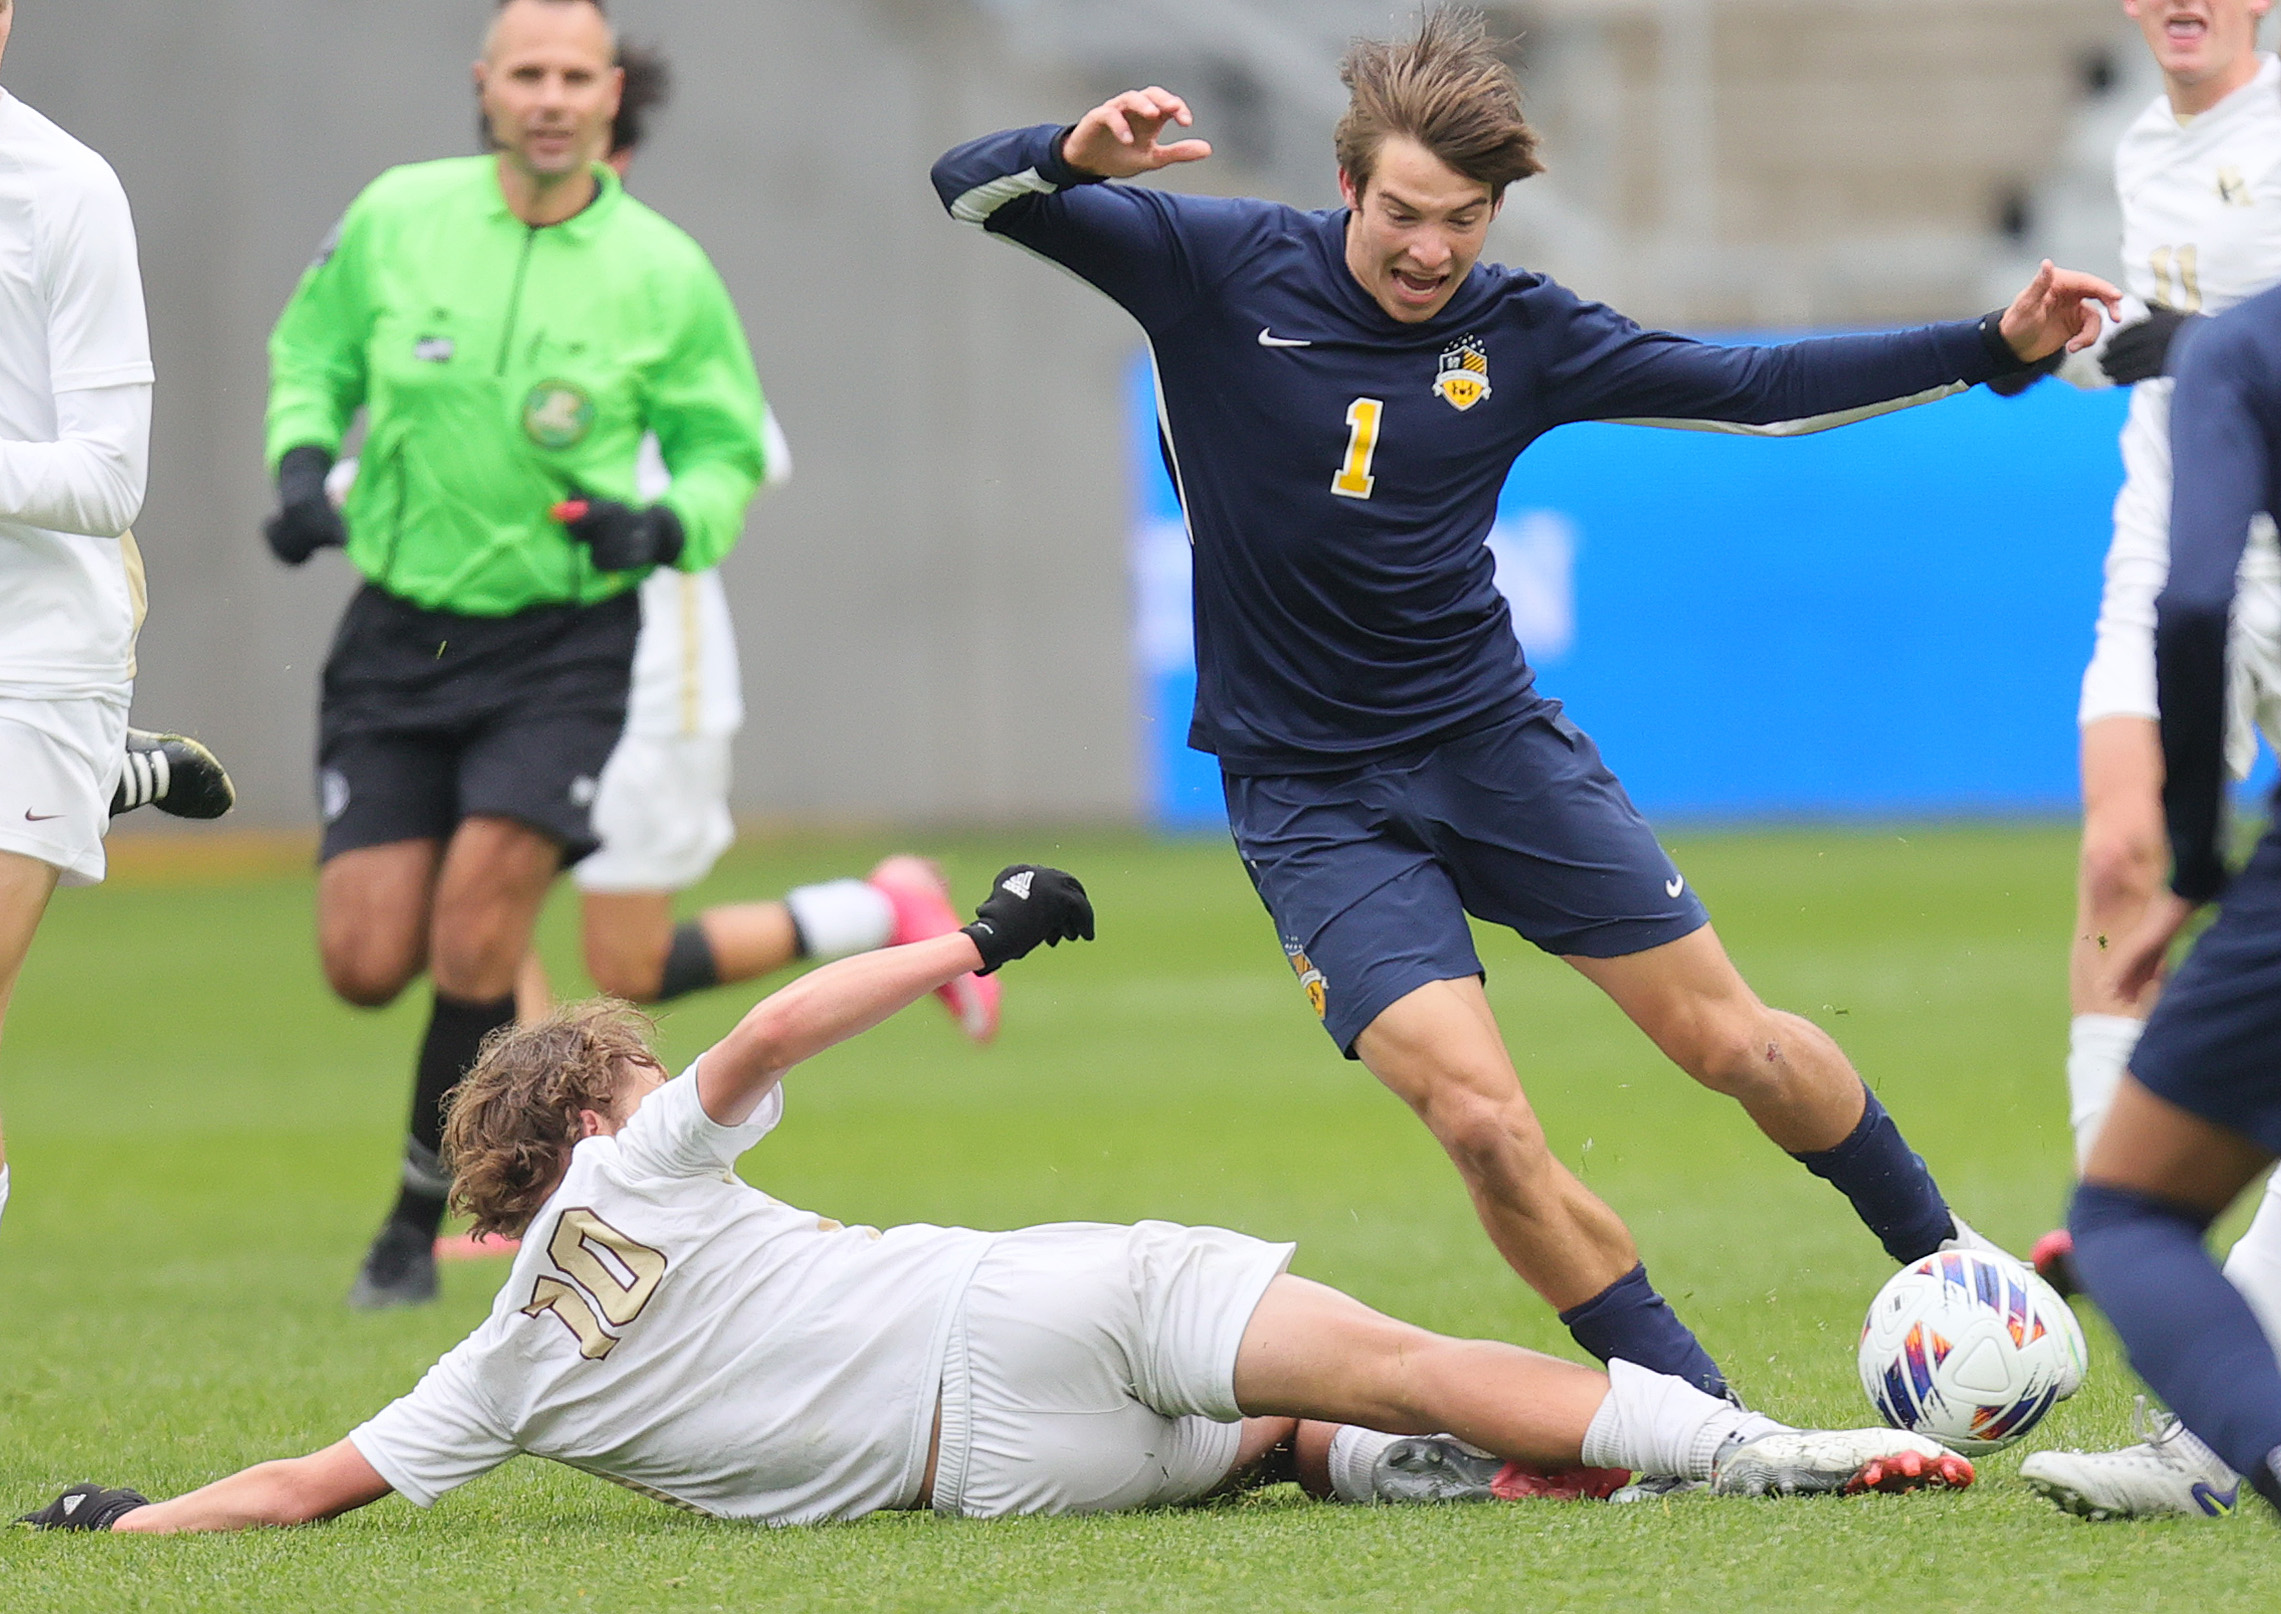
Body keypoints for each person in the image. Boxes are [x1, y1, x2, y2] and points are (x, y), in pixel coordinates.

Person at [930, 7, 2117, 1400]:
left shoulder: (1522, 329)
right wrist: (1068, 156)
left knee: (1731, 1040)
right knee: (1483, 1123)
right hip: (1309, 796)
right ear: (1347, 187)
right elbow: (966, 182)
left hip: (1491, 749)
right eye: (1406, 214)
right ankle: (1694, 1414)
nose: (1433, 249)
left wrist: (1994, 345)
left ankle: (1950, 1264)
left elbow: (1754, 391)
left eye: (1466, 221)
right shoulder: (1209, 264)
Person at [15, 864, 1977, 1535]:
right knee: (1407, 1361)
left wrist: (122, 1518)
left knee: (1291, 1437)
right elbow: (775, 1027)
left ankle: (1400, 1463)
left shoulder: (499, 1371)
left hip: (1002, 1477)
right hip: (1022, 1313)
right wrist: (967, 938)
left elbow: (296, 1489)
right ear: (590, 1109)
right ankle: (1772, 1453)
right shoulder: (643, 1155)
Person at [262, 0, 768, 1310]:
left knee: (480, 923)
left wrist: (664, 521)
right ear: (486, 87)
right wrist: (302, 467)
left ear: (612, 97)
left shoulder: (664, 268)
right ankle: (425, 1181)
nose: (550, 96)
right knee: (367, 962)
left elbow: (724, 447)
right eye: (527, 73)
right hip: (398, 633)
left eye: (574, 76)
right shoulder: (396, 217)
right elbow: (307, 356)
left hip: (564, 642)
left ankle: (412, 1218)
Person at [508, 42, 996, 1043]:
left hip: (645, 664)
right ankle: (525, 1163)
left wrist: (628, 513)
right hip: (504, 654)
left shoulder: (651, 282)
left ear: (616, 150)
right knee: (468, 895)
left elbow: (745, 452)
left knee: (622, 962)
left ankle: (879, 910)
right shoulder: (482, 274)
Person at [2010, 0, 2281, 1351]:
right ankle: (2105, 1202)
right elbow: (2165, 349)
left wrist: (2157, 346)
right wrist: (2086, 351)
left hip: (2275, 543)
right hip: (2167, 540)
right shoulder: (2132, 148)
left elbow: (2221, 348)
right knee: (2118, 854)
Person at [2020, 281, 2281, 1523]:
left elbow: (2192, 600)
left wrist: (2194, 860)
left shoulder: (2246, 345)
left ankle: (2230, 1439)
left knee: (2125, 1214)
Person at [0, 0, 230, 1234]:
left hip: (28, 657)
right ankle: (106, 784)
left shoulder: (63, 190)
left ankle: (81, 771)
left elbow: (108, 477)